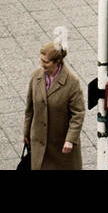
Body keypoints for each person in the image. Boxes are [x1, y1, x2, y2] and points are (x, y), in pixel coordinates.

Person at [23, 41, 85, 170]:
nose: (42, 64)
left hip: (61, 147)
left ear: (57, 62)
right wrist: (26, 131)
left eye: (46, 62)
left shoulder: (72, 82)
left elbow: (78, 113)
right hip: (39, 144)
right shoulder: (36, 76)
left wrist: (70, 139)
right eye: (41, 60)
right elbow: (30, 108)